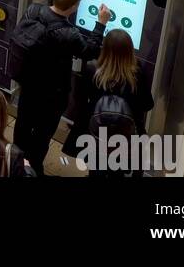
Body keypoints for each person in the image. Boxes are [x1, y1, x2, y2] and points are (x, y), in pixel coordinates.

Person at [11, 0, 109, 176]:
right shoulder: (68, 33)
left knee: (23, 125)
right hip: (52, 93)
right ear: (74, 6)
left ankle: (16, 164)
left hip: (28, 84)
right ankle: (33, 170)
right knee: (42, 134)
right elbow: (90, 51)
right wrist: (101, 24)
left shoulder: (33, 10)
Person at [62, 30, 154, 177]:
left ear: (104, 49)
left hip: (96, 133)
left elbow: (79, 101)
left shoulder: (92, 69)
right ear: (130, 51)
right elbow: (148, 104)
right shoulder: (137, 74)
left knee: (97, 168)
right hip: (127, 135)